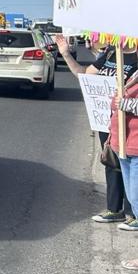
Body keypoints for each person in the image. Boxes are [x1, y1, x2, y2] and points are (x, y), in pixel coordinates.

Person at [57, 34, 138, 227]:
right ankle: (114, 209)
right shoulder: (111, 53)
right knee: (113, 163)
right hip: (109, 121)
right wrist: (66, 55)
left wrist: (125, 103)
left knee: (133, 169)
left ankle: (132, 213)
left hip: (131, 126)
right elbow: (84, 75)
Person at [110, 70, 138, 273]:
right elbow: (115, 103)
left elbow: (122, 104)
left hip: (136, 148)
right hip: (124, 147)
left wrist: (125, 104)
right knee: (135, 201)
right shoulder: (134, 73)